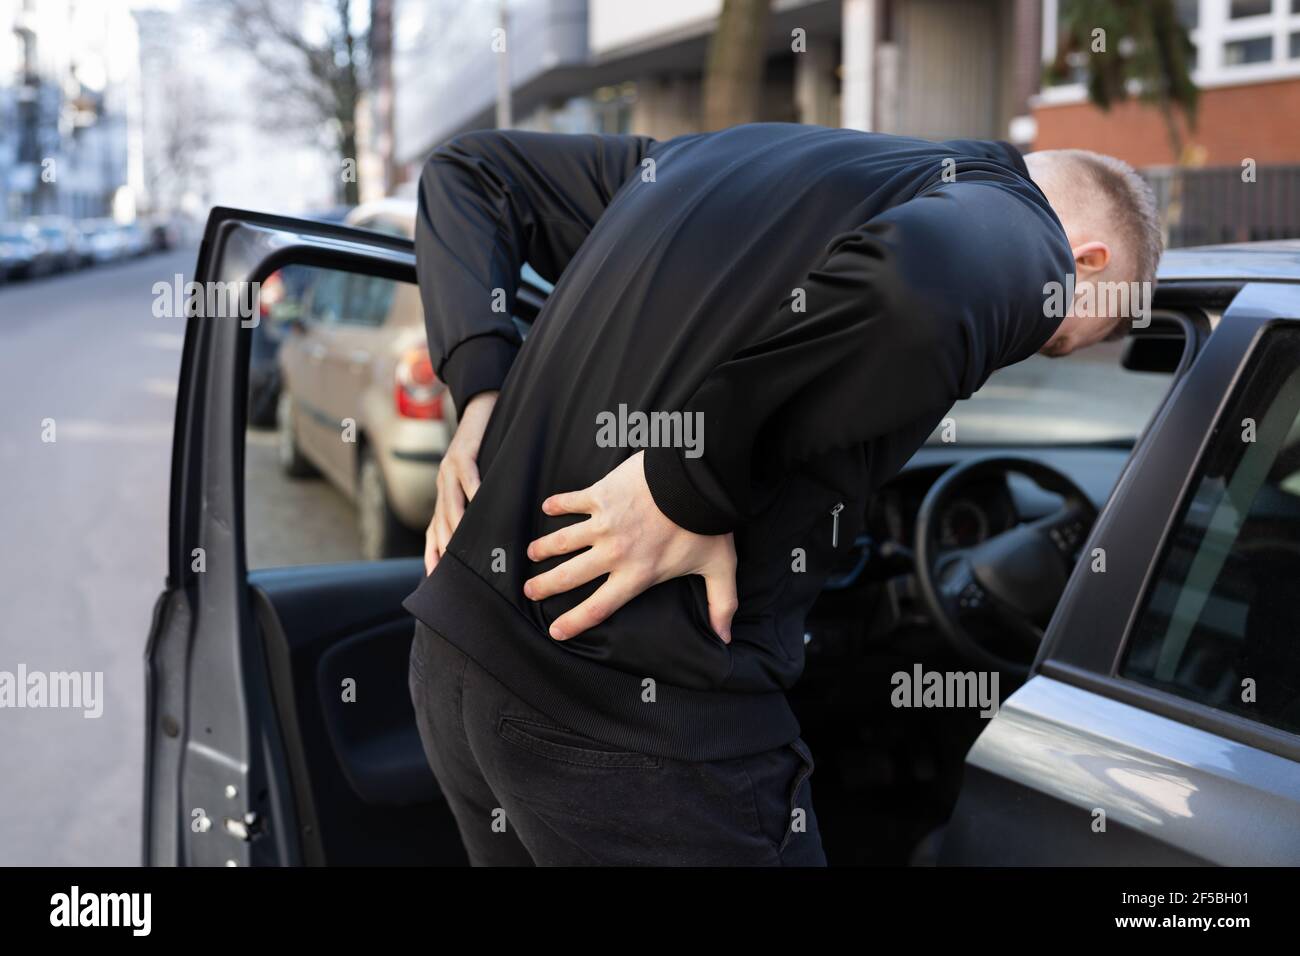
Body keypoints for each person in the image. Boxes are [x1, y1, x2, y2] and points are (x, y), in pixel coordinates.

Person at [403, 123, 1161, 866]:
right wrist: (685, 483)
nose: (1028, 345)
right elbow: (914, 294)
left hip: (459, 658)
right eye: (1058, 337)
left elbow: (473, 169)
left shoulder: (727, 153)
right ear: (1086, 262)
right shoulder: (1023, 228)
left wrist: (482, 388)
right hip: (638, 727)